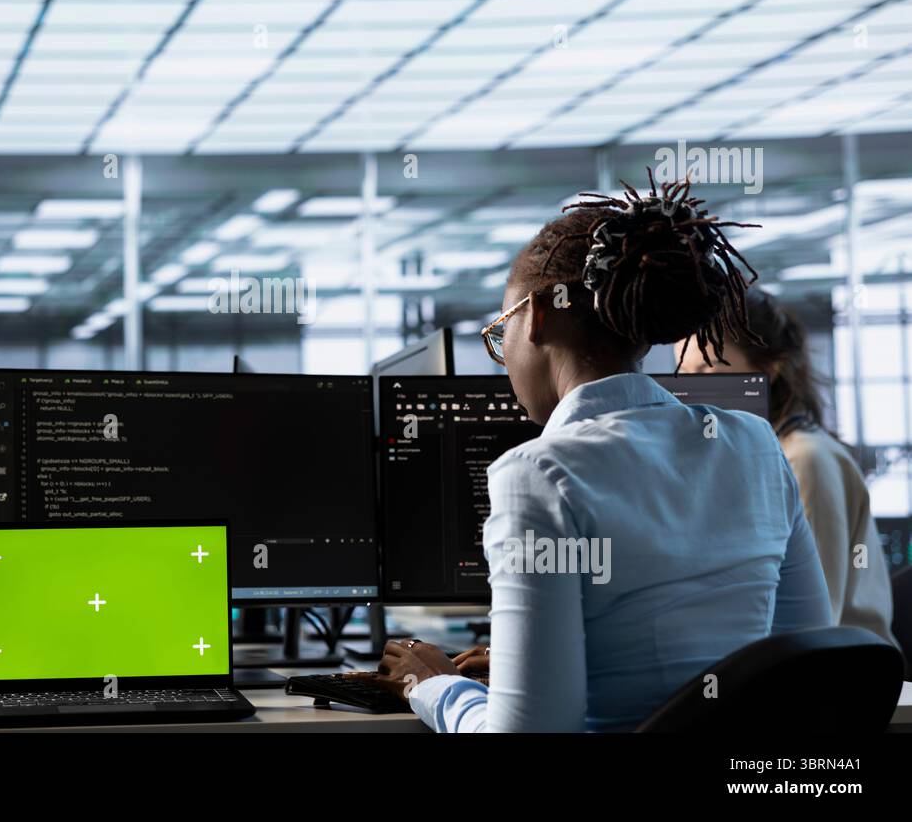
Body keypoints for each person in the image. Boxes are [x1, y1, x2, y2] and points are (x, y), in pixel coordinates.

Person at [363, 178, 832, 731]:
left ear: (537, 317)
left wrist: (434, 684)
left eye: (499, 332)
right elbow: (810, 665)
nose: (503, 356)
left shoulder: (537, 475)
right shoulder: (756, 445)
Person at [675, 288, 895, 645]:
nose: (690, 392)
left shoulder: (805, 460)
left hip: (843, 679)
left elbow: (816, 619)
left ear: (767, 368)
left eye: (706, 370)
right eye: (683, 374)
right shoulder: (754, 456)